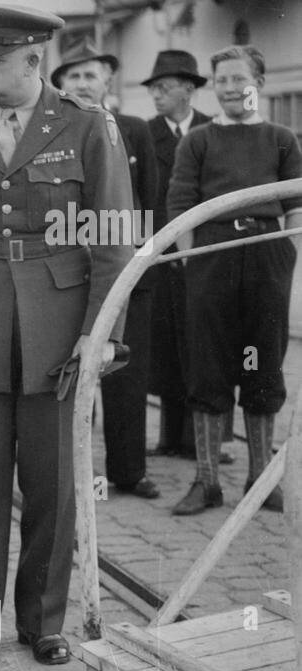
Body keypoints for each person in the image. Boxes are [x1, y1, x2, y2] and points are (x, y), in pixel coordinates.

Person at [0, 2, 132, 671]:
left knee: (53, 487)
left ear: (32, 61)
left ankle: (43, 621)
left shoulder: (84, 127)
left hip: (58, 329)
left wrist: (99, 337)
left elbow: (111, 239)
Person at [168, 45, 302, 516]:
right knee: (209, 365)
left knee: (263, 365)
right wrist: (193, 263)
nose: (228, 88)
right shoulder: (198, 142)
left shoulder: (281, 138)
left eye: (237, 79)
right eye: (220, 79)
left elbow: (295, 205)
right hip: (212, 259)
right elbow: (180, 208)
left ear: (258, 83)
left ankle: (261, 480)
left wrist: (285, 256)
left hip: (265, 258)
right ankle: (206, 482)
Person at [51, 41, 161, 501]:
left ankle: (128, 471)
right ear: (60, 85)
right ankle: (74, 471)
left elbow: (150, 200)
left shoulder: (132, 129)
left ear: (107, 81)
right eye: (73, 77)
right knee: (74, 373)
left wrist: (142, 264)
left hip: (125, 268)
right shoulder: (55, 131)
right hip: (71, 269)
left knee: (125, 375)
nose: (82, 84)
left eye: (90, 76)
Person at [143, 50, 212, 458]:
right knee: (165, 343)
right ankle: (170, 436)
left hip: (205, 249)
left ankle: (206, 438)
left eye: (165, 88)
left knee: (205, 342)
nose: (157, 96)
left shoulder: (212, 129)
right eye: (153, 89)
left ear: (188, 89)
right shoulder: (146, 132)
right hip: (161, 253)